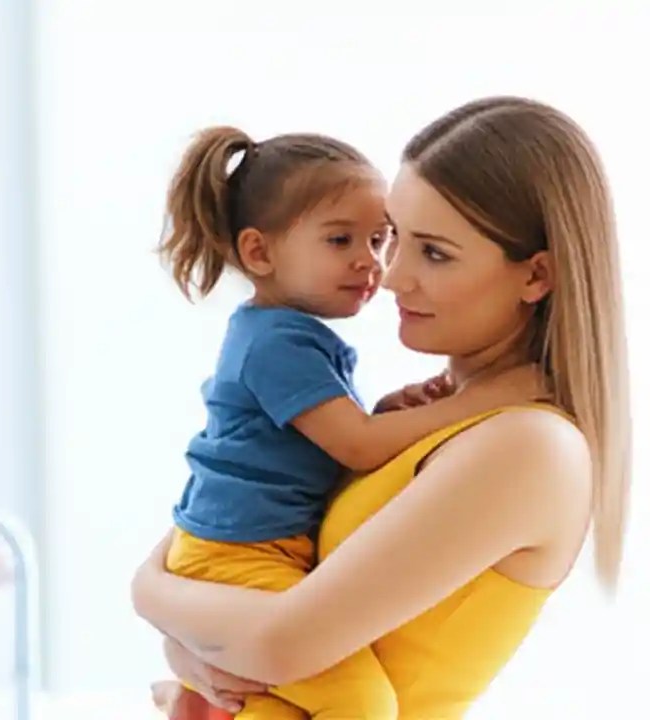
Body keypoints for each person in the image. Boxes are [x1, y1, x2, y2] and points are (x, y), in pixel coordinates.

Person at [133, 96, 628, 719]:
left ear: (536, 276)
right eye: (395, 237)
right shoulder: (417, 422)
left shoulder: (530, 446)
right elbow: (216, 546)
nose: (388, 275)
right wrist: (189, 644)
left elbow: (281, 643)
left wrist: (153, 598)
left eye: (434, 252)